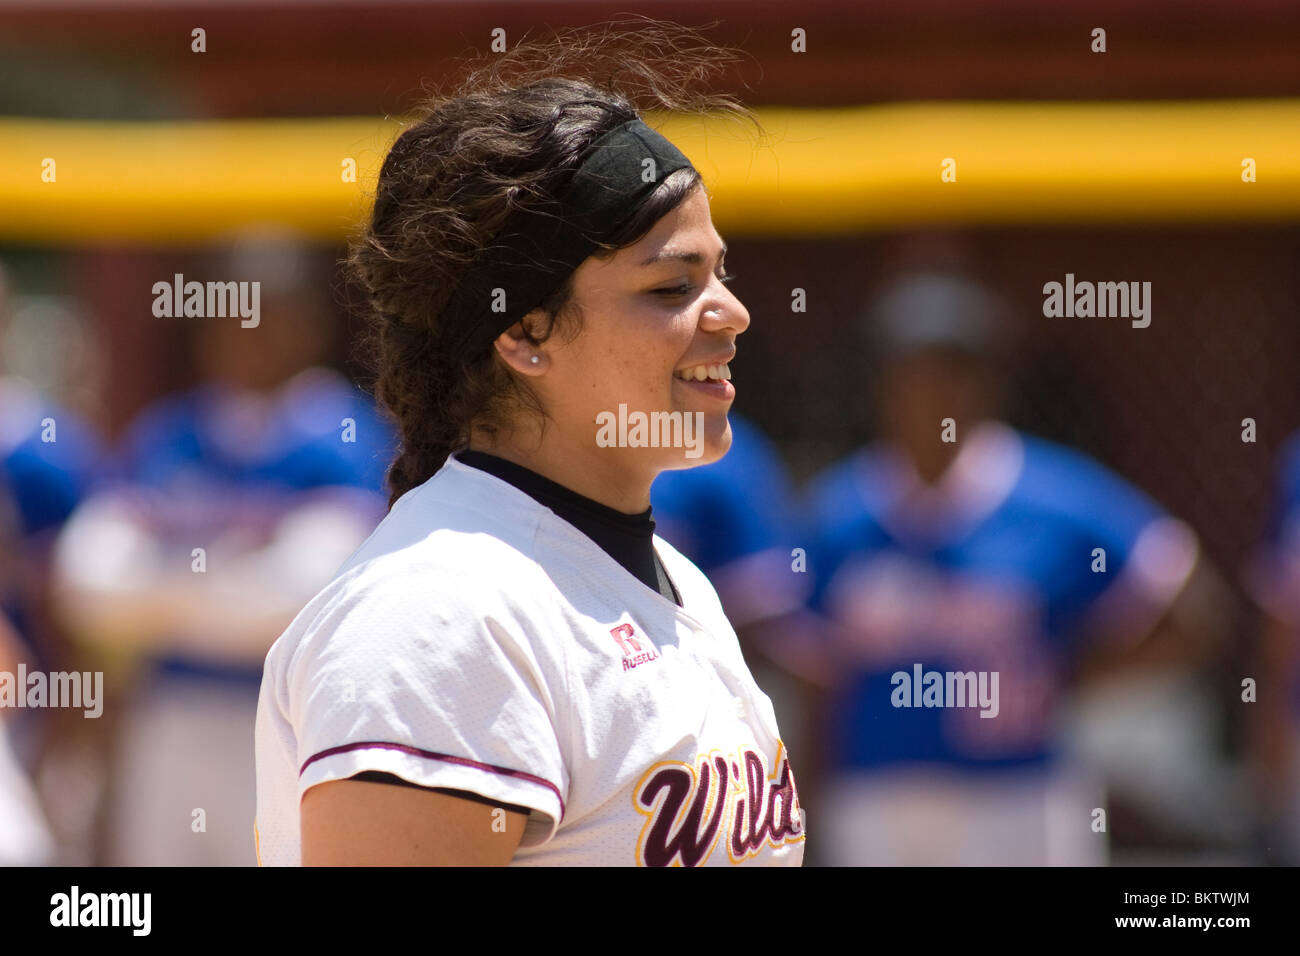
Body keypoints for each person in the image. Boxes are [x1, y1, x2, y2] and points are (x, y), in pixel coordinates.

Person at [254, 23, 805, 866]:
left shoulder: (667, 576)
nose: (731, 315)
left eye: (718, 274)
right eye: (673, 286)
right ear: (527, 332)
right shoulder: (440, 617)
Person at [801, 271, 1222, 865]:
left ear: (988, 386)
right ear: (884, 386)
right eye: (913, 375)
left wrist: (1074, 674)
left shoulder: (1056, 498)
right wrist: (809, 805)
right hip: (879, 797)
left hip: (1021, 798)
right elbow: (818, 674)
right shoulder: (839, 513)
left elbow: (1193, 609)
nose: (932, 395)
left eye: (953, 374)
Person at [51, 230, 393, 865]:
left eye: (262, 318)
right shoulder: (170, 433)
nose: (240, 338)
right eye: (225, 319)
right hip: (170, 713)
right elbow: (88, 587)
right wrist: (223, 584)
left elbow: (293, 603)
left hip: (286, 721)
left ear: (304, 325)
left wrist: (161, 592)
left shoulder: (344, 437)